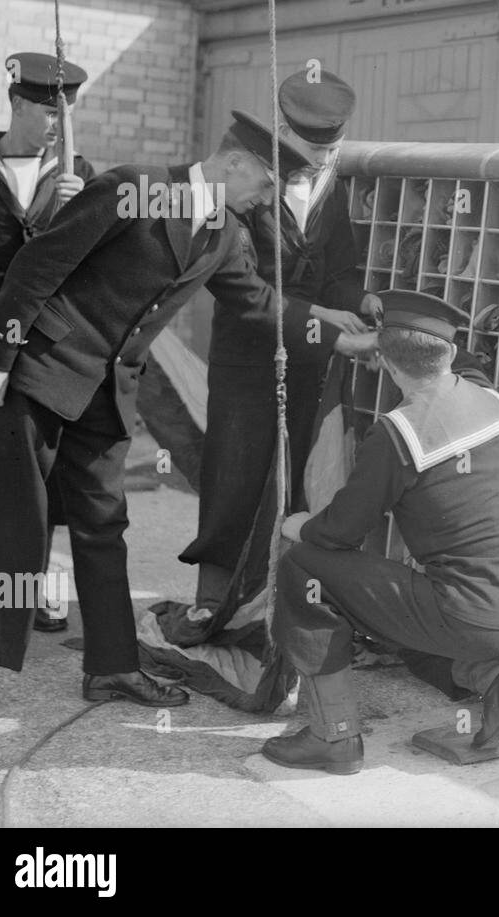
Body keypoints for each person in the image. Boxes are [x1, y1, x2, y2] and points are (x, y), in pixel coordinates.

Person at [0, 112, 376, 729]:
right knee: (12, 525)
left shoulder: (222, 231)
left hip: (106, 394)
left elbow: (257, 299)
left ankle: (112, 666)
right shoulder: (134, 187)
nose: (266, 202)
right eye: (265, 187)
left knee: (105, 526)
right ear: (236, 163)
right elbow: (39, 265)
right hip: (45, 372)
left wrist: (328, 329)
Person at [263, 291, 499, 774]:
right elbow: (464, 361)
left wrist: (298, 525)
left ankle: (332, 738)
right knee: (409, 626)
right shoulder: (487, 396)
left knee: (303, 568)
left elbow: (338, 533)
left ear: (388, 366)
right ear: (452, 354)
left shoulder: (398, 434)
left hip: (470, 617)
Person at [180, 69, 370, 613]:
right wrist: (327, 323)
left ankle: (275, 597)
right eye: (311, 148)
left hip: (311, 357)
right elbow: (246, 290)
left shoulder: (332, 187)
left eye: (330, 150)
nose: (321, 160)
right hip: (247, 355)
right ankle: (212, 598)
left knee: (298, 478)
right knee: (234, 474)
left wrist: (361, 301)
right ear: (283, 133)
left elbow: (339, 269)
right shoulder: (249, 187)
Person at [0, 53, 95, 634]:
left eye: (66, 114)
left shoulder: (78, 173)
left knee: (39, 470)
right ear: (17, 103)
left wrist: (78, 211)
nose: (57, 125)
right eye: (48, 110)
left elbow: (92, 268)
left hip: (45, 343)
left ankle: (34, 581)